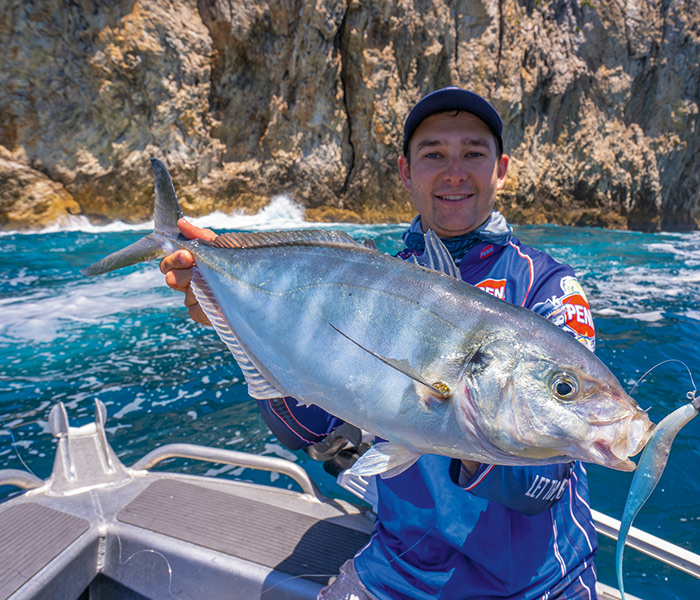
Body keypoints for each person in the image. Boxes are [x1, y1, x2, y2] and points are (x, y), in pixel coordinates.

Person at [161, 87, 600, 599]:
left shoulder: (547, 287)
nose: (454, 172)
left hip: (536, 583)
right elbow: (305, 427)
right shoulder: (363, 285)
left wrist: (466, 418)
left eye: (473, 154)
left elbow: (544, 479)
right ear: (405, 172)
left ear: (500, 169)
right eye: (433, 154)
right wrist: (235, 319)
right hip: (397, 570)